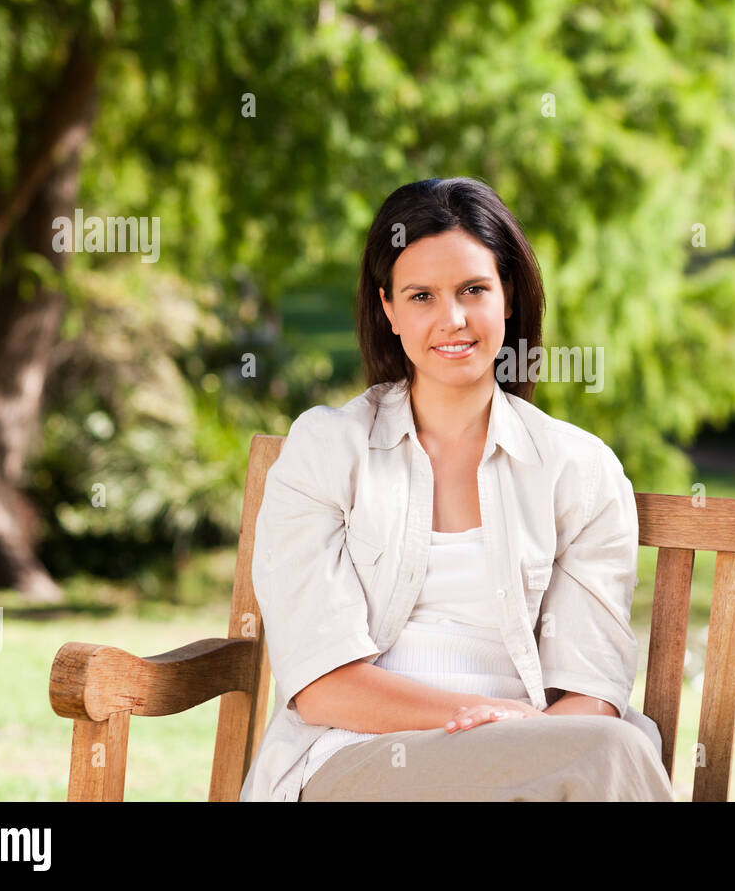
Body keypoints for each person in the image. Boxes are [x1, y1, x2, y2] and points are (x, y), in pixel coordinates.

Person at [239, 176, 674, 802]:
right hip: (355, 755)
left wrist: (521, 739)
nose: (453, 319)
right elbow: (324, 686)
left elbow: (592, 688)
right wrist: (489, 719)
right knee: (613, 754)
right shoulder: (328, 451)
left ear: (509, 298)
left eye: (474, 289)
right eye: (421, 296)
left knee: (611, 748)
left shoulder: (579, 470)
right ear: (387, 309)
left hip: (532, 758)